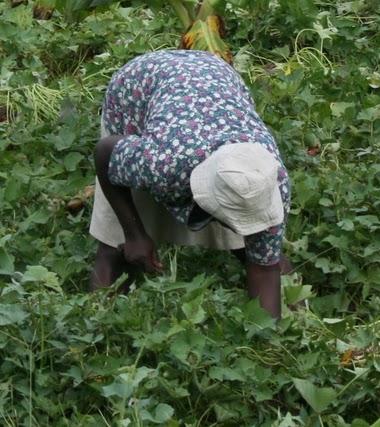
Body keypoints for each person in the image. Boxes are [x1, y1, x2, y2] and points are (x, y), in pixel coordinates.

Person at [89, 49, 292, 317]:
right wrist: (134, 234)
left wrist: (270, 339)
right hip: (140, 86)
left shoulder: (269, 181)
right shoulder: (161, 162)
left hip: (217, 79)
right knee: (114, 246)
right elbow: (105, 153)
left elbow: (264, 268)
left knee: (256, 246)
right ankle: (97, 325)